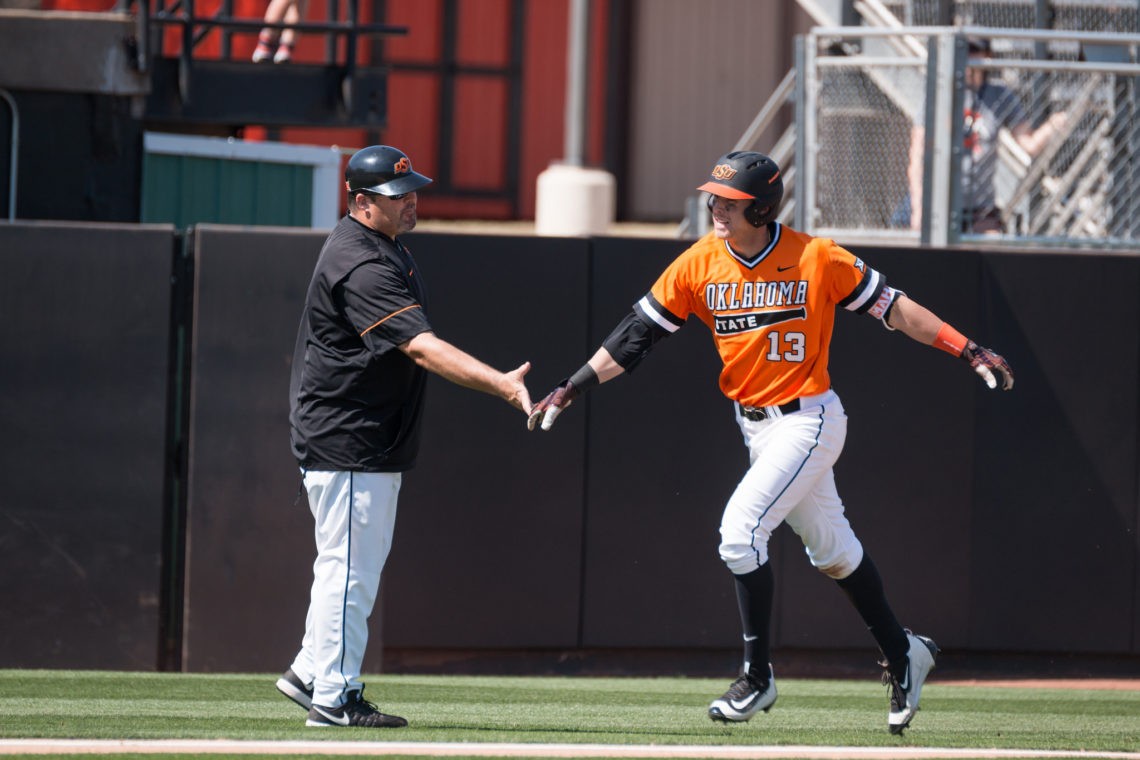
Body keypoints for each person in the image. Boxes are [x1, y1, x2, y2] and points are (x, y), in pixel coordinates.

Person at [527, 150, 1014, 735]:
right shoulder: (700, 262)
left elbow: (896, 310)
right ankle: (905, 649)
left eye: (728, 201)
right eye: (713, 197)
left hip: (808, 419)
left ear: (760, 206)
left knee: (740, 533)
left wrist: (968, 349)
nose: (715, 208)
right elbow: (637, 336)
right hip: (755, 426)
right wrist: (570, 387)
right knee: (832, 551)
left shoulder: (816, 255)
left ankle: (757, 677)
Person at [277, 145, 533, 728]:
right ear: (362, 203)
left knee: (341, 566)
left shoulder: (377, 245)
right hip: (348, 437)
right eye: (397, 195)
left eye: (412, 189)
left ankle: (310, 671)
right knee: (351, 571)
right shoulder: (362, 263)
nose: (411, 200)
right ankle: (334, 698)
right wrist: (499, 383)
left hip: (356, 436)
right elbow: (420, 347)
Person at [907, 36, 1066, 233]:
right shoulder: (941, 92)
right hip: (941, 204)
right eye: (963, 52)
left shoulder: (999, 95)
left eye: (974, 52)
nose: (968, 58)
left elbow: (1029, 144)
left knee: (993, 249)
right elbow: (918, 155)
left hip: (981, 207)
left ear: (987, 56)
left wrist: (1053, 125)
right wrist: (918, 206)